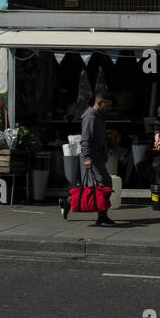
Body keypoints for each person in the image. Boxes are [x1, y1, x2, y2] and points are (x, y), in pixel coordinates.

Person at [61, 90, 119, 227]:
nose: (109, 109)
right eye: (108, 106)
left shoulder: (98, 116)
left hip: (98, 157)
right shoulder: (90, 118)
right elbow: (85, 140)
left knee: (102, 185)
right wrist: (87, 157)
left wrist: (115, 147)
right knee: (105, 185)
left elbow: (103, 136)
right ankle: (102, 216)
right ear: (99, 103)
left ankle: (68, 202)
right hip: (93, 157)